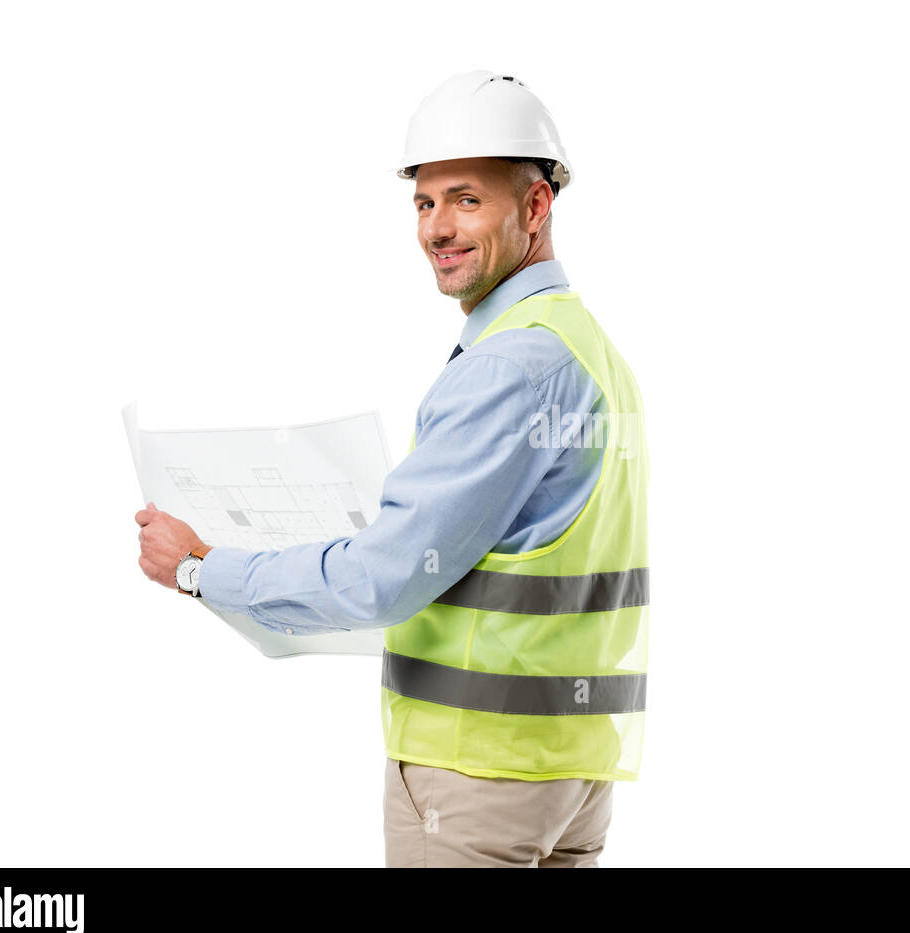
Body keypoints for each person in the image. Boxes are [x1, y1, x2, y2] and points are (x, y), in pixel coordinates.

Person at [135, 70, 650, 868]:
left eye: (467, 200)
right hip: (568, 771)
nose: (437, 228)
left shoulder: (511, 365)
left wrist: (204, 569)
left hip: (476, 776)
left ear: (537, 207)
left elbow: (384, 579)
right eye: (423, 201)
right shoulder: (592, 353)